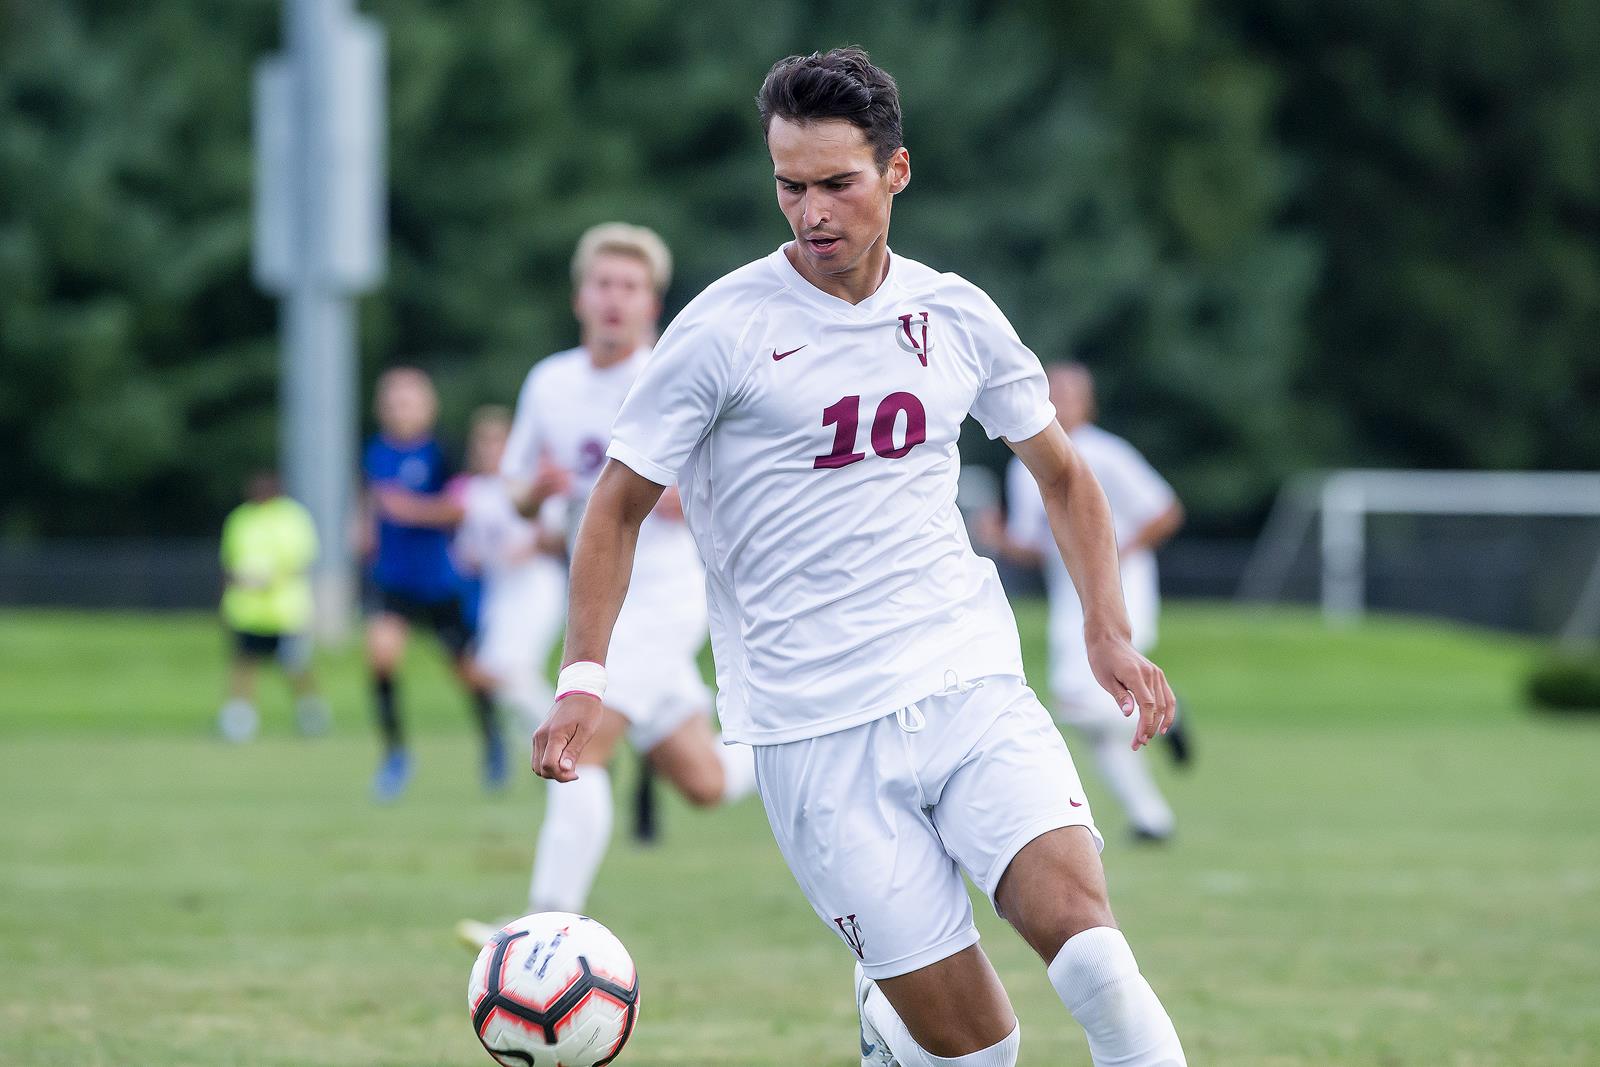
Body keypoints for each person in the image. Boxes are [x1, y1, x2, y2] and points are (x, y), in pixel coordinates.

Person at [534, 50, 1187, 1067]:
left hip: (965, 678)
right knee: (979, 1050)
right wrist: (583, 677)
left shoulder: (956, 315)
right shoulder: (721, 329)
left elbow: (1064, 476)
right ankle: (896, 1030)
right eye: (789, 187)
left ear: (896, 171)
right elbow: (612, 510)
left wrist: (1108, 632)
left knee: (1092, 952)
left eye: (836, 182)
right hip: (812, 729)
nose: (811, 213)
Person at [457, 223, 757, 947]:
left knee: (578, 748)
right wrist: (537, 492)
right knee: (705, 782)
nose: (615, 300)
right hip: (596, 602)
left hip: (662, 599)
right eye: (604, 285)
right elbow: (518, 490)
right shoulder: (551, 382)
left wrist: (694, 497)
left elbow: (736, 478)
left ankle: (538, 928)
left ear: (653, 303)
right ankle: (778, 739)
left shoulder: (674, 374)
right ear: (579, 296)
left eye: (631, 287)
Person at [979, 362, 1190, 843]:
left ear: (1088, 402)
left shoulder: (1106, 453)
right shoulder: (1023, 462)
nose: (1059, 400)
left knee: (1079, 700)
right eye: (1052, 391)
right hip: (1066, 595)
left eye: (1070, 393)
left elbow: (1165, 511)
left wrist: (1110, 557)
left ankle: (1164, 709)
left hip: (1114, 592)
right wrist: (1000, 539)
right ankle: (1151, 820)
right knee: (1097, 721)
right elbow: (1038, 546)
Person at [362, 367, 504, 801]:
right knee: (381, 656)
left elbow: (462, 508)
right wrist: (364, 528)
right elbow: (373, 499)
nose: (399, 410)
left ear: (428, 407)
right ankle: (396, 755)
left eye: (408, 401)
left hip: (441, 582)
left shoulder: (444, 452)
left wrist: (411, 510)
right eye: (391, 402)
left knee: (467, 672)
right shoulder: (375, 451)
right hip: (394, 580)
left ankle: (493, 740)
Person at [451, 405, 567, 735]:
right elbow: (467, 551)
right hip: (499, 589)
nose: (489, 451)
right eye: (482, 443)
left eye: (497, 442)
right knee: (493, 674)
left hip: (535, 584)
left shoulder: (527, 484)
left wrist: (531, 546)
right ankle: (549, 736)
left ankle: (564, 734)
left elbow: (558, 536)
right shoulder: (472, 492)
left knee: (513, 671)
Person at [216, 471, 329, 742]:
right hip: (246, 610)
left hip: (285, 611)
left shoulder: (293, 517)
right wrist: (240, 582)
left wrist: (270, 579)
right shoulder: (240, 518)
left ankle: (310, 714)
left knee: (296, 665)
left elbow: (302, 560)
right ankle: (239, 721)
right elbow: (229, 561)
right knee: (244, 664)